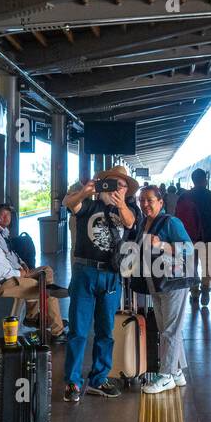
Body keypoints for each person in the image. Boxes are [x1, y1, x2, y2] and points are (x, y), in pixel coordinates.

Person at [61, 166, 138, 402]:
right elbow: (68, 204)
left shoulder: (129, 208)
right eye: (112, 184)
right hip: (85, 272)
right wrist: (85, 192)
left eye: (122, 186)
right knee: (78, 330)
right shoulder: (89, 206)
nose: (117, 189)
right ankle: (72, 382)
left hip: (111, 275)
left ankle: (98, 378)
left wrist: (121, 203)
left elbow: (129, 222)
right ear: (102, 185)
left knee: (106, 331)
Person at [0, 208, 66, 340]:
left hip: (12, 277)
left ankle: (33, 316)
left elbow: (10, 255)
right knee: (45, 289)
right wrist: (19, 274)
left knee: (46, 272)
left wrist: (22, 266)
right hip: (3, 285)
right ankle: (58, 332)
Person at [133, 185, 193, 393]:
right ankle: (177, 372)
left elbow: (189, 248)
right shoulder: (144, 223)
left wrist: (163, 246)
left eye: (150, 200)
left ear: (161, 201)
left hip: (173, 282)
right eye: (142, 200)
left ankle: (166, 376)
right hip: (155, 282)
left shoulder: (171, 222)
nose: (145, 204)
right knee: (166, 328)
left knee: (170, 329)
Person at [175, 167, 211, 308]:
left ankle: (194, 292)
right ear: (205, 180)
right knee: (207, 266)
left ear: (193, 180)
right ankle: (206, 289)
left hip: (189, 239)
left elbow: (177, 219)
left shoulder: (184, 196)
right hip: (207, 237)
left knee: (191, 265)